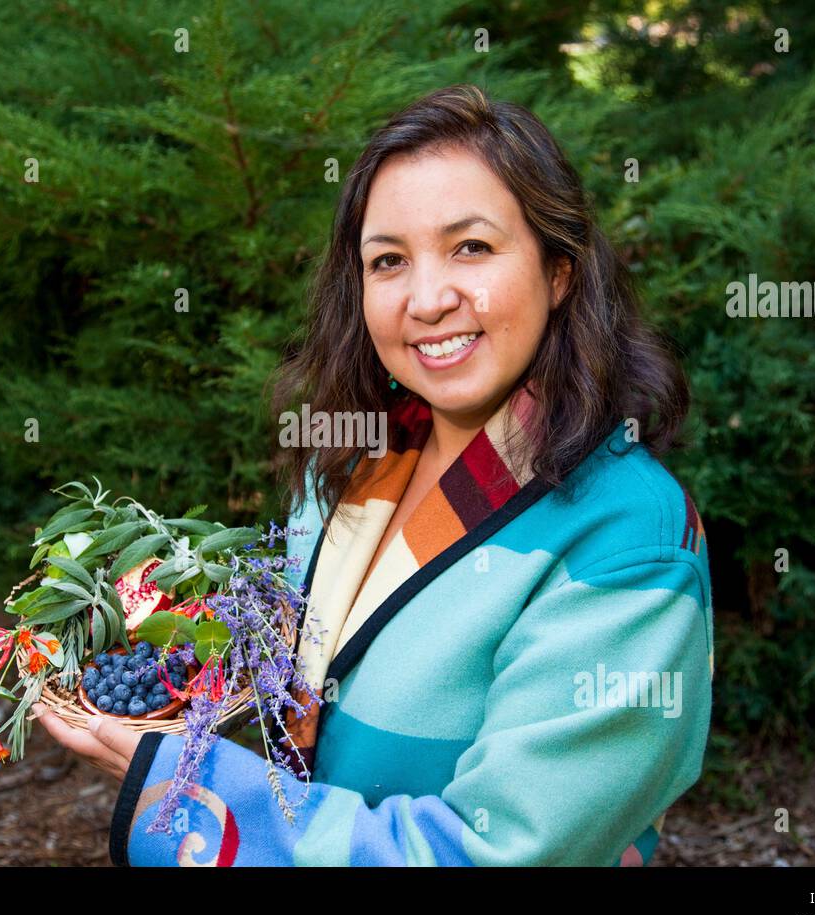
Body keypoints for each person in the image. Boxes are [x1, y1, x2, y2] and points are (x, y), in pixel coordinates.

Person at [35, 84, 713, 867]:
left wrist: (189, 791)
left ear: (559, 271)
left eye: (472, 248)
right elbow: (300, 693)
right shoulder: (355, 464)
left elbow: (492, 855)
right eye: (388, 261)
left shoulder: (629, 541)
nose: (426, 299)